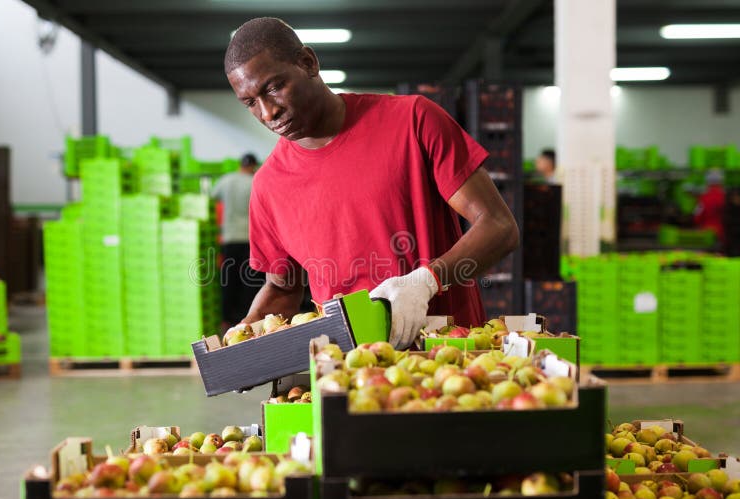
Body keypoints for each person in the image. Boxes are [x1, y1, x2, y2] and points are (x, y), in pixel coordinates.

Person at [224, 17, 519, 349]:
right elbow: (282, 287)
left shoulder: (413, 121)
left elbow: (499, 226)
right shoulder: (268, 186)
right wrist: (243, 341)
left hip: (448, 355)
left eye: (274, 87)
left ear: (308, 62)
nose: (267, 112)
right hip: (349, 368)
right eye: (250, 102)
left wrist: (426, 282)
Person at [211, 153, 264, 328]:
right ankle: (247, 318)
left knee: (230, 279)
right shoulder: (255, 180)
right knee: (249, 280)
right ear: (253, 166)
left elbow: (213, 196)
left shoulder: (226, 180)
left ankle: (228, 318)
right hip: (250, 238)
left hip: (230, 238)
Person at [693, 170, 725, 246]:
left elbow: (697, 215)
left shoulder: (704, 197)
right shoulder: (726, 196)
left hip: (707, 233)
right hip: (723, 233)